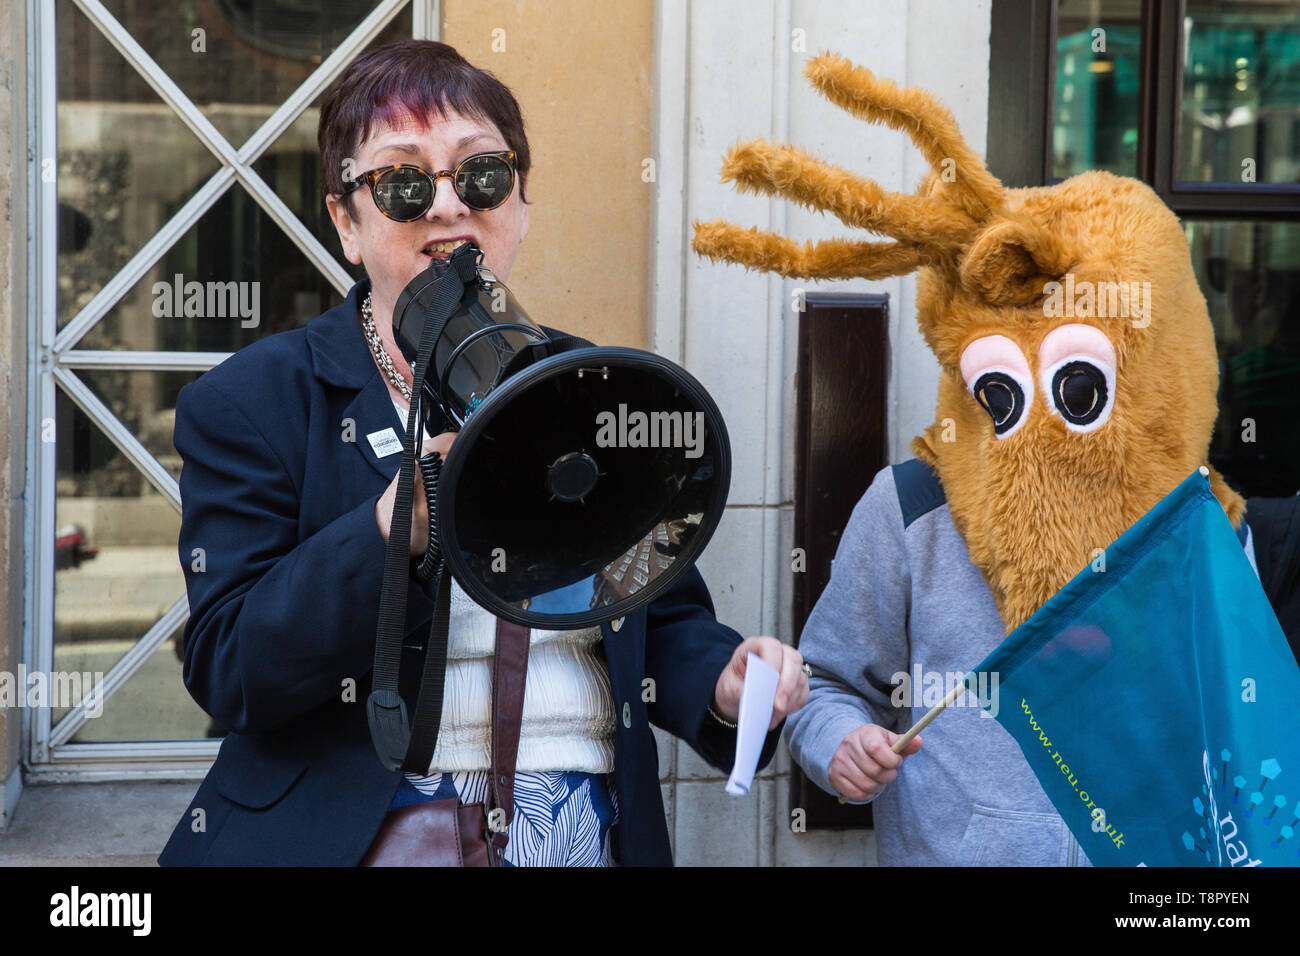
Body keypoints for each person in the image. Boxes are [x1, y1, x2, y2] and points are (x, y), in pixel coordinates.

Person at [158, 39, 808, 867]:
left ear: (522, 204)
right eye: (401, 182)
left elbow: (663, 614)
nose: (447, 206)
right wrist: (396, 529)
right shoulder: (253, 402)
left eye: (482, 175)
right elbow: (229, 666)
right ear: (346, 222)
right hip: (359, 838)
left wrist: (725, 679)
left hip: (586, 833)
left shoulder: (594, 389)